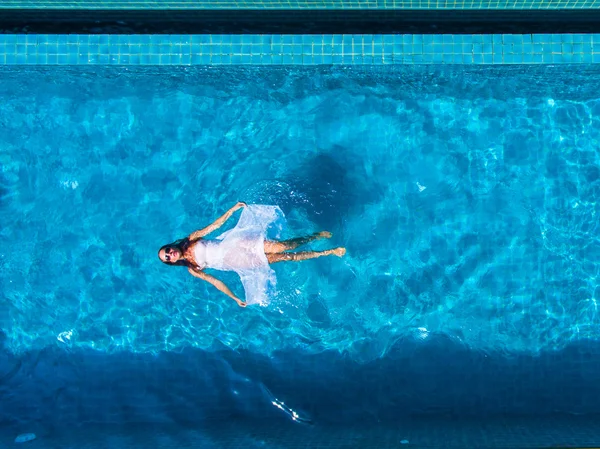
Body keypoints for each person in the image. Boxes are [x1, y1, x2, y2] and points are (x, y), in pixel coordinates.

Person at [158, 202, 346, 307]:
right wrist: (235, 298)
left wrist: (231, 210)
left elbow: (214, 226)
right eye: (167, 258)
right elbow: (216, 282)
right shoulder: (193, 269)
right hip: (238, 262)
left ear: (170, 246)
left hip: (236, 243)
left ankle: (315, 236)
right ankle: (329, 252)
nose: (170, 254)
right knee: (288, 257)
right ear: (171, 262)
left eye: (167, 251)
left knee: (282, 246)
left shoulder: (191, 239)